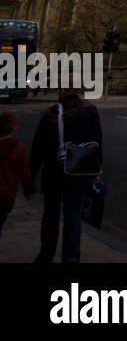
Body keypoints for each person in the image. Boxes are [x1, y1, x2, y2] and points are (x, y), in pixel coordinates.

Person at [29, 83, 103, 263]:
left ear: (62, 91)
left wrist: (30, 177)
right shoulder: (89, 111)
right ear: (77, 90)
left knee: (51, 215)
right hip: (77, 173)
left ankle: (46, 254)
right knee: (73, 214)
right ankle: (71, 257)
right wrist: (97, 170)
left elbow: (38, 149)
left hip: (53, 173)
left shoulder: (51, 113)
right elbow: (96, 142)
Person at [0, 110, 36, 240]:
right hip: (5, 196)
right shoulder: (17, 148)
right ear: (14, 128)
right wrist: (29, 189)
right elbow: (23, 172)